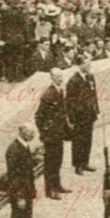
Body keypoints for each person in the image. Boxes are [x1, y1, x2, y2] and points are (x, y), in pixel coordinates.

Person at [34, 67, 70, 199]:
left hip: (58, 134)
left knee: (58, 161)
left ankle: (57, 185)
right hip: (51, 136)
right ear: (52, 77)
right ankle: (50, 191)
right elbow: (38, 117)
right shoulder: (49, 94)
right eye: (57, 77)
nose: (60, 79)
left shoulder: (59, 91)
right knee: (50, 164)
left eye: (61, 76)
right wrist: (45, 134)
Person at [5, 124, 38, 218]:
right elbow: (14, 176)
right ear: (23, 132)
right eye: (31, 132)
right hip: (20, 194)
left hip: (27, 191)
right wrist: (19, 197)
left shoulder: (24, 146)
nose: (33, 135)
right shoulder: (14, 150)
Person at [65, 56, 100, 174]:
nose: (89, 66)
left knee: (87, 139)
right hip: (79, 117)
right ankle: (78, 165)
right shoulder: (73, 80)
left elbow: (94, 94)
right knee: (78, 141)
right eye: (86, 64)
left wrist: (96, 110)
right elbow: (69, 101)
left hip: (89, 114)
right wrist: (71, 119)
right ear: (80, 65)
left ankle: (85, 162)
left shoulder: (90, 77)